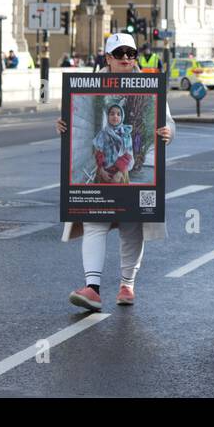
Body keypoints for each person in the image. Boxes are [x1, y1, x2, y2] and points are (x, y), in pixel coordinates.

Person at [59, 32, 175, 312]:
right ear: (107, 58)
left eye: (131, 54)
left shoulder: (148, 85)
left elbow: (167, 120)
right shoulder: (87, 86)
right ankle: (92, 288)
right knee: (93, 221)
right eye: (120, 54)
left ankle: (127, 284)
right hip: (102, 169)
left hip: (126, 168)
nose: (126, 59)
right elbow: (76, 115)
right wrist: (63, 125)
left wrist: (168, 132)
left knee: (131, 224)